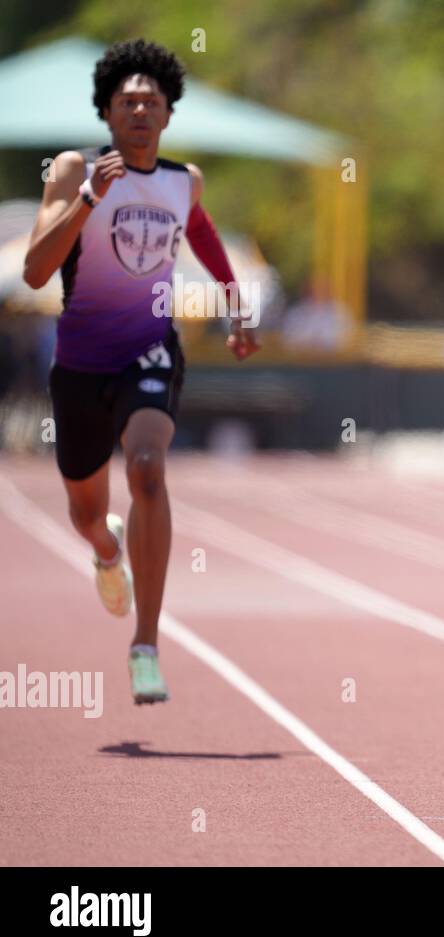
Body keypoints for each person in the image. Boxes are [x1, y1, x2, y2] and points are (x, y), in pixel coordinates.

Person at [23, 39, 258, 704]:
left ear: (167, 116)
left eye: (150, 103)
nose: (139, 111)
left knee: (149, 468)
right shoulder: (74, 171)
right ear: (107, 113)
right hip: (78, 364)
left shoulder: (185, 181)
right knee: (86, 512)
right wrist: (90, 200)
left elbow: (203, 232)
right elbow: (37, 270)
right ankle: (105, 550)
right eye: (126, 102)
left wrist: (239, 307)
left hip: (149, 349)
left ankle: (146, 644)